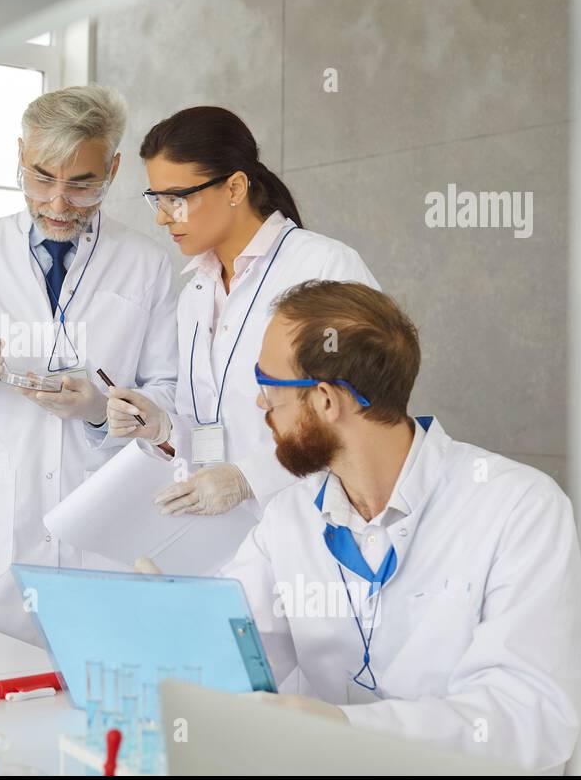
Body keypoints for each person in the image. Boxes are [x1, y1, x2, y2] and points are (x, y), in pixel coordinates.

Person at [227, 280, 581, 772]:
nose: (261, 405)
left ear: (327, 401)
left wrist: (346, 732)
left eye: (269, 386)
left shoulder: (520, 507)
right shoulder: (289, 517)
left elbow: (529, 716)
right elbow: (236, 646)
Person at [0, 84, 179, 644]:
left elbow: (171, 398)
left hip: (97, 536)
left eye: (82, 184)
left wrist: (103, 410)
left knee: (88, 701)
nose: (57, 203)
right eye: (41, 178)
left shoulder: (146, 266)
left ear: (114, 168)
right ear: (19, 158)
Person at [104, 107, 378, 570]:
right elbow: (210, 420)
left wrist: (250, 478)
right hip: (218, 543)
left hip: (313, 542)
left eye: (178, 198)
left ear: (234, 187)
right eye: (158, 199)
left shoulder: (325, 269)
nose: (163, 218)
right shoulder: (194, 290)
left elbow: (360, 413)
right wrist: (164, 427)